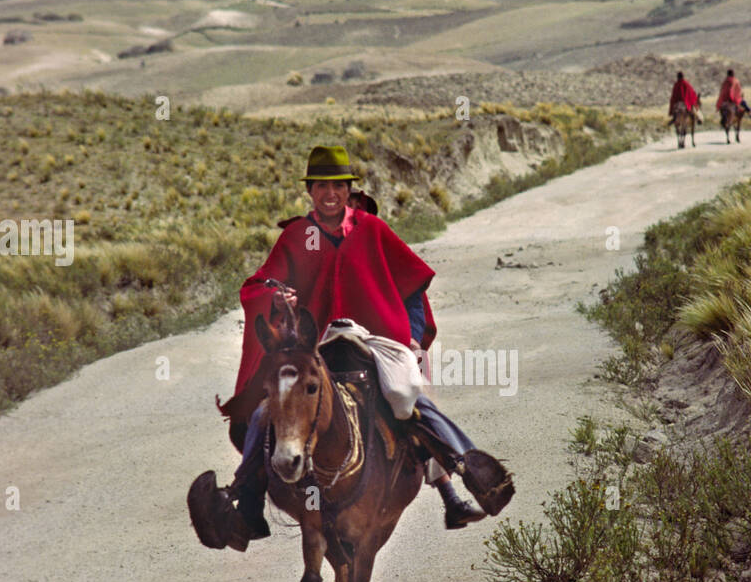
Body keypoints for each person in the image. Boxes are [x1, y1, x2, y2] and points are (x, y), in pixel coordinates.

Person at [193, 144, 512, 550]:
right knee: (262, 414)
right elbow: (259, 285)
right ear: (310, 190)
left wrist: (413, 337)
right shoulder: (298, 236)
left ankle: (466, 477)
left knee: (405, 394)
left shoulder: (372, 230)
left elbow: (412, 288)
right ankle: (247, 502)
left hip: (375, 340)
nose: (330, 194)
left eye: (338, 186)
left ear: (349, 190)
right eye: (322, 185)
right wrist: (278, 299)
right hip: (317, 346)